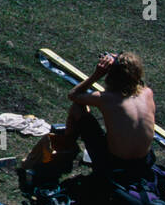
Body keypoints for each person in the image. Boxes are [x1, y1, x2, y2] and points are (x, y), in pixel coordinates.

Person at [63, 51, 156, 179]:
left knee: (77, 108)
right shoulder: (147, 93)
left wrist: (97, 74)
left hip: (113, 163)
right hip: (143, 162)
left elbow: (73, 95)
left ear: (111, 75)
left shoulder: (106, 98)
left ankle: (65, 148)